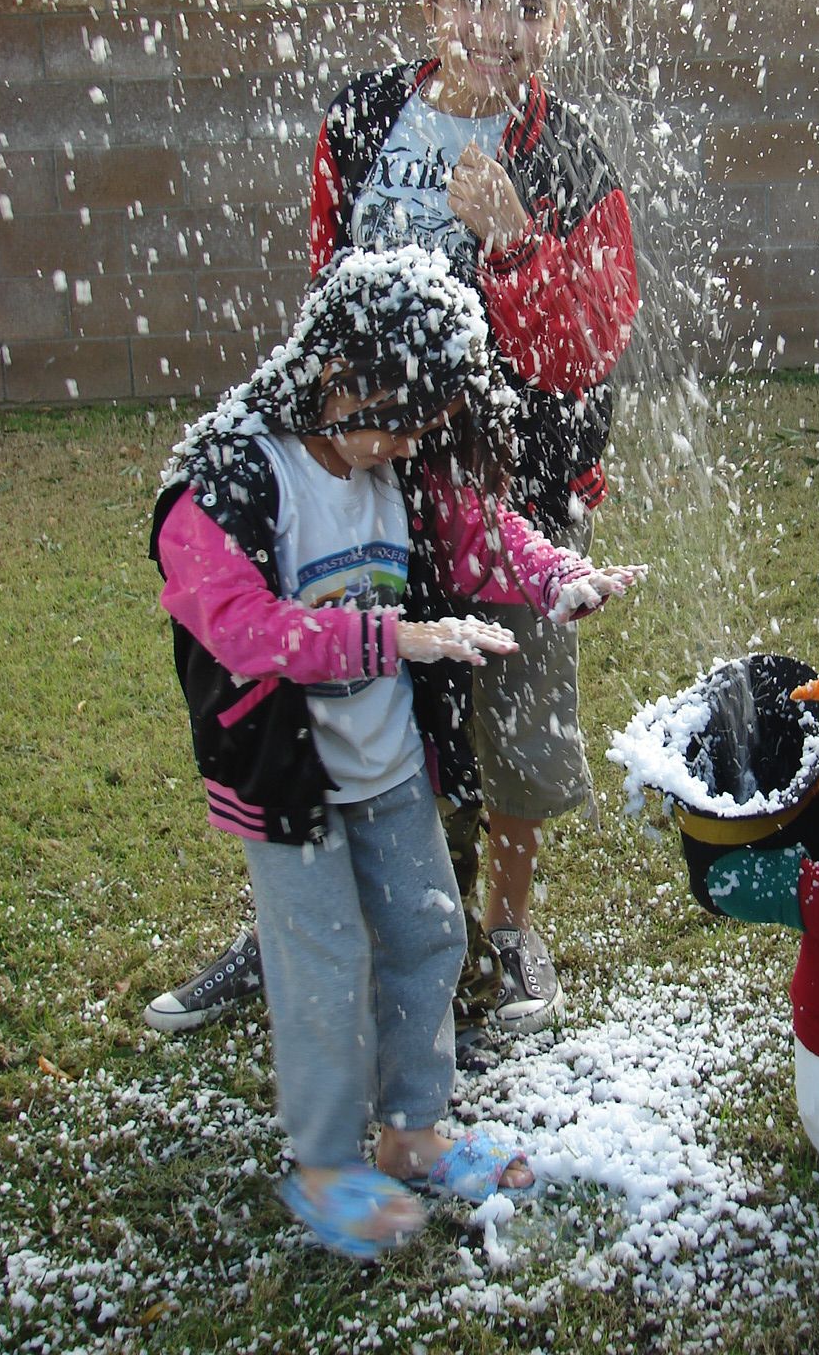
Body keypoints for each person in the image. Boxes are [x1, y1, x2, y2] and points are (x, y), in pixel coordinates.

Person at [145, 0, 639, 1055]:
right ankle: (293, 921)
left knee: (514, 713)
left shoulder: (565, 156)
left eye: (528, 5)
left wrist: (517, 239)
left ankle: (505, 932)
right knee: (331, 698)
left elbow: (587, 346)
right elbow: (327, 285)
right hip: (360, 484)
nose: (498, 26)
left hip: (507, 488)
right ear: (431, 4)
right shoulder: (365, 119)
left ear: (555, 26)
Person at [150, 250, 637, 1257]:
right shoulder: (232, 482)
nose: (412, 443)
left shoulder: (397, 464)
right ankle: (327, 1166)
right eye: (400, 416)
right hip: (290, 786)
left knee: (426, 937)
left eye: (427, 423)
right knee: (324, 969)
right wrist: (391, 640)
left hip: (393, 766)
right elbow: (239, 629)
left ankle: (414, 1132)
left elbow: (476, 529)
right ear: (336, 372)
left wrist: (554, 578)